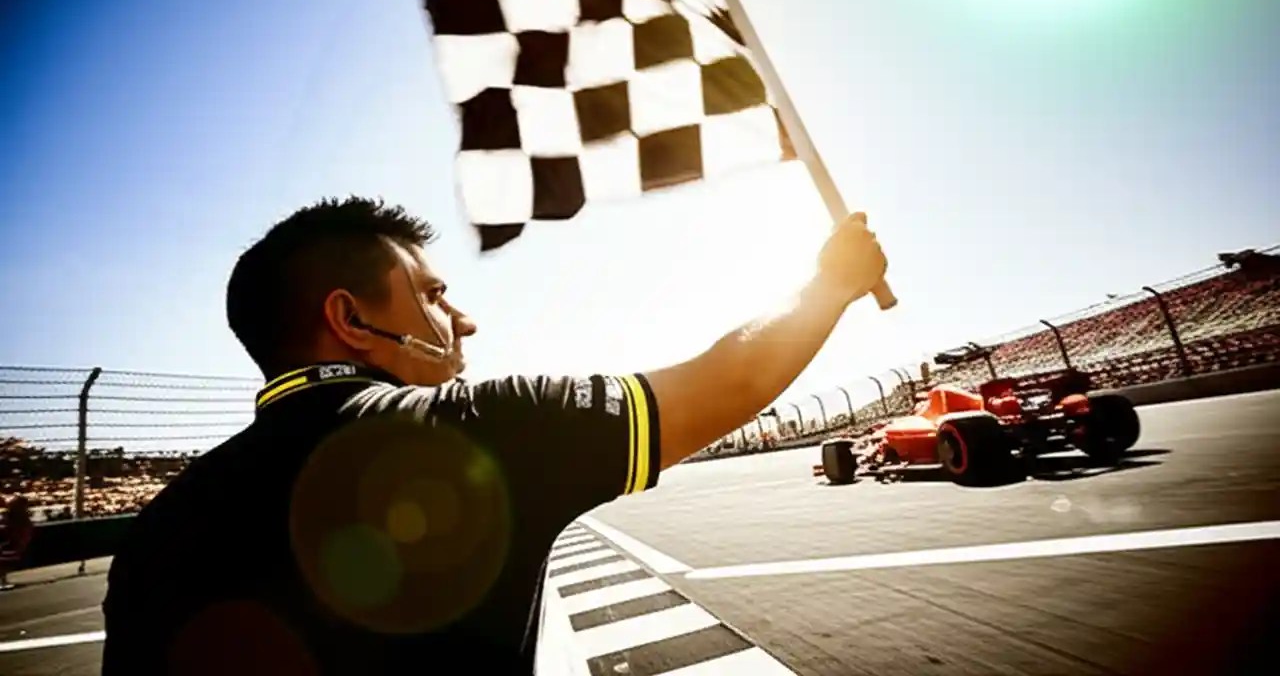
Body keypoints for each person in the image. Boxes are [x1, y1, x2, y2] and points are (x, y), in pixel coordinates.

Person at [101, 195, 886, 675]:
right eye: (435, 295)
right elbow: (731, 381)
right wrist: (833, 282)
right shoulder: (476, 431)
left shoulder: (154, 531)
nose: (463, 319)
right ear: (351, 319)